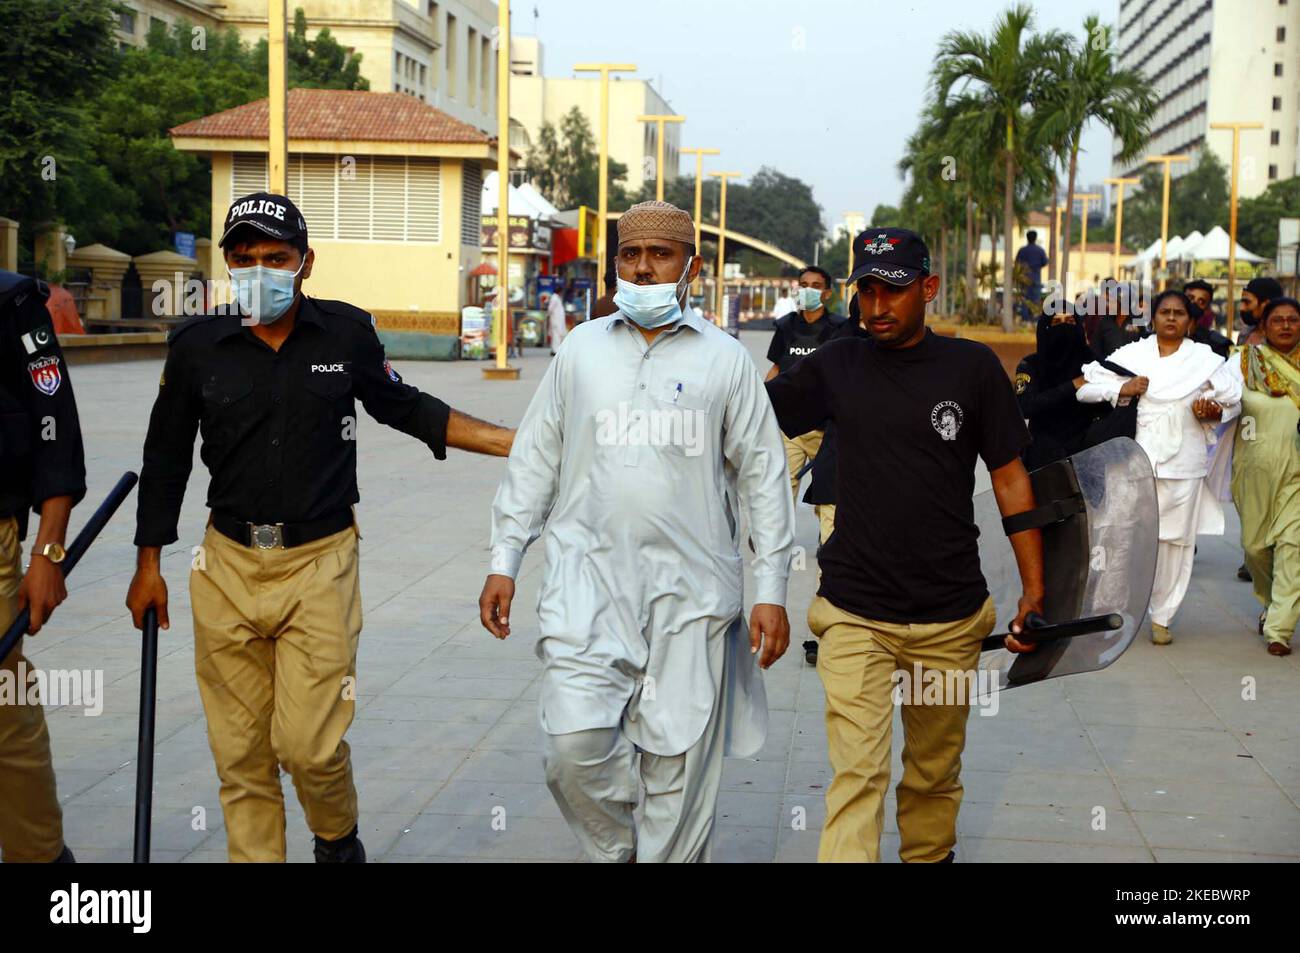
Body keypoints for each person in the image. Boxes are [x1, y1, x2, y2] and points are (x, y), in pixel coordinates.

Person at [125, 192, 515, 863]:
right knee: (240, 754)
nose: (260, 270)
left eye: (276, 257)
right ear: (226, 263)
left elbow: (405, 405)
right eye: (244, 258)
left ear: (306, 263)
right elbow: (164, 459)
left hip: (321, 563)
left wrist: (517, 441)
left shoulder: (345, 334)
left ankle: (337, 838)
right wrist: (147, 564)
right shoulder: (196, 347)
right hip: (225, 565)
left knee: (309, 745)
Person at [479, 200, 795, 863]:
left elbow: (764, 476)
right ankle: (621, 848)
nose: (644, 267)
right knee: (572, 745)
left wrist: (771, 587)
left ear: (692, 267)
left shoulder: (726, 360)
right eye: (631, 254)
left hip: (692, 597)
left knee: (677, 766)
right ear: (614, 263)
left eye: (661, 254)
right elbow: (536, 456)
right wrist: (505, 556)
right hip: (585, 587)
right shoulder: (580, 351)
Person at [765, 228, 1045, 863]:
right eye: (866, 290)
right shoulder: (837, 363)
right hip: (854, 612)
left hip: (949, 617)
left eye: (892, 290)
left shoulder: (971, 369)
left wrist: (1034, 588)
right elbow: (753, 408)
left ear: (928, 288)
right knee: (857, 777)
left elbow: (1009, 479)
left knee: (931, 777)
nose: (876, 306)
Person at [1077, 289, 1241, 645]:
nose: (1170, 318)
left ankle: (1162, 616)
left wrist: (1214, 411)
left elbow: (1232, 400)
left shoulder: (1206, 359)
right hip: (1133, 460)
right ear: (1152, 318)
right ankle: (1109, 612)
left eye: (1178, 313)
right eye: (1164, 311)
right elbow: (1086, 389)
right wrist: (1124, 388)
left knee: (1175, 543)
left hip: (1186, 462)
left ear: (1190, 321)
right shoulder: (1132, 354)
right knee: (1119, 535)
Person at [0, 270, 86, 864]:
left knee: (4, 712)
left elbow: (56, 434)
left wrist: (48, 552)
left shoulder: (13, 304)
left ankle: (42, 862)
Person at [1228, 297, 1300, 656]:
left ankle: (1278, 630)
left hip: (1297, 474)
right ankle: (1273, 603)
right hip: (1253, 472)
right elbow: (1222, 401)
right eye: (1278, 321)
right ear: (1265, 327)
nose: (1286, 326)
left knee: (1293, 548)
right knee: (1256, 550)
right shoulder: (1242, 363)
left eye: (1293, 320)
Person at [765, 266, 845, 501]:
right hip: (789, 428)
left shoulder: (840, 330)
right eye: (804, 285)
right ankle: (771, 539)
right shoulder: (785, 327)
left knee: (831, 496)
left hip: (826, 431)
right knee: (780, 493)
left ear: (828, 293)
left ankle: (831, 540)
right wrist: (760, 403)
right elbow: (776, 369)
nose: (808, 290)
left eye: (816, 286)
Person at [1014, 309, 1100, 469]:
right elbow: (1026, 406)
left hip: (1087, 454)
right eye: (1056, 323)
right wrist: (1073, 385)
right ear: (1044, 328)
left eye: (1069, 322)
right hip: (1043, 457)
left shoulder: (1094, 364)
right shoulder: (1030, 365)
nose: (1064, 329)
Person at [1183, 281, 1231, 358]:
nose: (1194, 303)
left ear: (1207, 309)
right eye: (1190, 298)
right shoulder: (1165, 336)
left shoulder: (1217, 345)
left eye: (1201, 301)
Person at [1014, 229, 1049, 321]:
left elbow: (1017, 263)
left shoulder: (1022, 250)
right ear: (1035, 238)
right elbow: (1045, 262)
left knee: (1025, 301)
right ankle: (1035, 319)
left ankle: (1025, 320)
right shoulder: (1040, 250)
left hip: (1024, 280)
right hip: (1036, 279)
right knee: (1036, 300)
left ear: (1027, 238)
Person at [1239, 276, 1282, 348]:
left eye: (1247, 302)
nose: (1242, 308)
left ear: (1266, 304)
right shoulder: (1245, 334)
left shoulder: (1285, 339)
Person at [546, 286, 567, 355]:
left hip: (558, 320)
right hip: (556, 320)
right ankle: (555, 350)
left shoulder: (556, 297)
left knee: (558, 335)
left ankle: (555, 349)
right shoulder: (554, 298)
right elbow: (550, 309)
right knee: (556, 335)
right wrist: (548, 316)